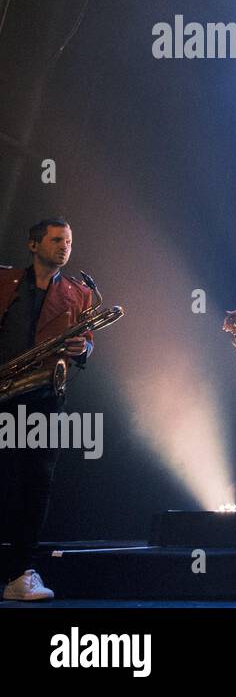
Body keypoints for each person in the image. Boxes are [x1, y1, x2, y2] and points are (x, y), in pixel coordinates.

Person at [0, 218, 95, 602]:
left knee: (36, 484)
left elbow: (87, 340)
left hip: (43, 399)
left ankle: (21, 573)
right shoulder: (5, 282)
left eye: (69, 241)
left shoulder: (78, 293)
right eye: (56, 240)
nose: (64, 247)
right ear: (33, 245)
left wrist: (83, 349)